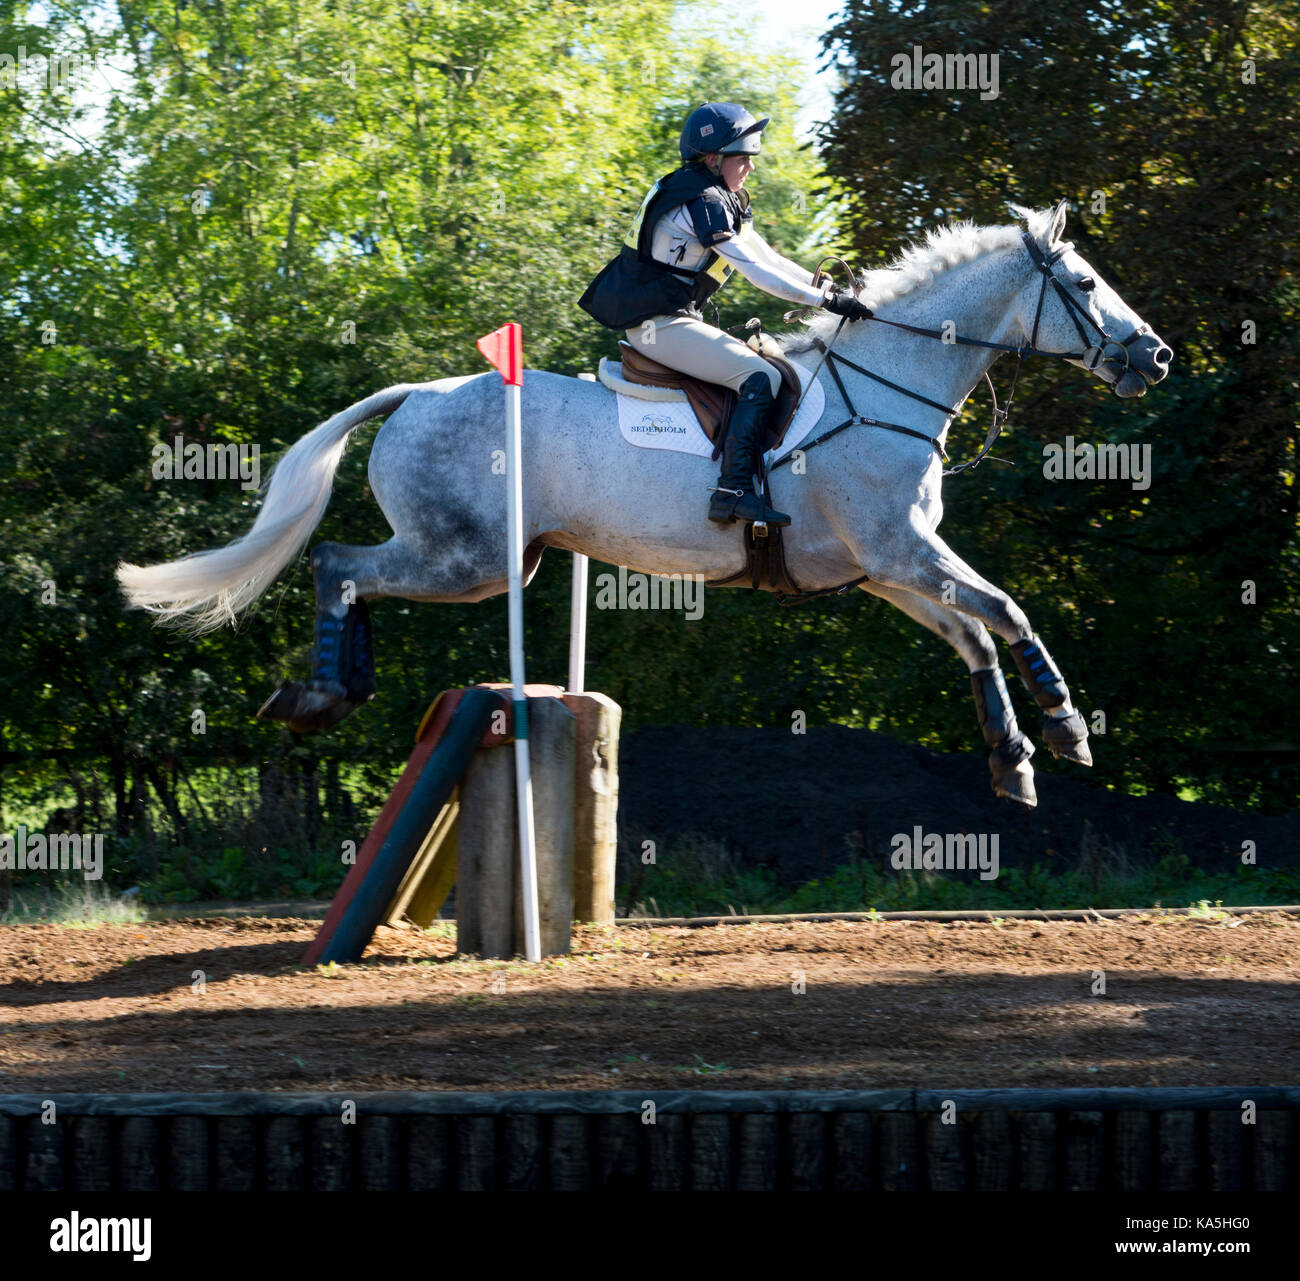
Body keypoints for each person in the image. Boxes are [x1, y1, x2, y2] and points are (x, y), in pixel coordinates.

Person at [579, 101, 871, 527]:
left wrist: (822, 286)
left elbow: (766, 255)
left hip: (676, 320)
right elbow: (756, 273)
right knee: (762, 378)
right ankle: (732, 492)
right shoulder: (699, 200)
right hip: (657, 326)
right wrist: (824, 303)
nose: (750, 166)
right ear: (714, 158)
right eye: (744, 157)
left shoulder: (717, 195)